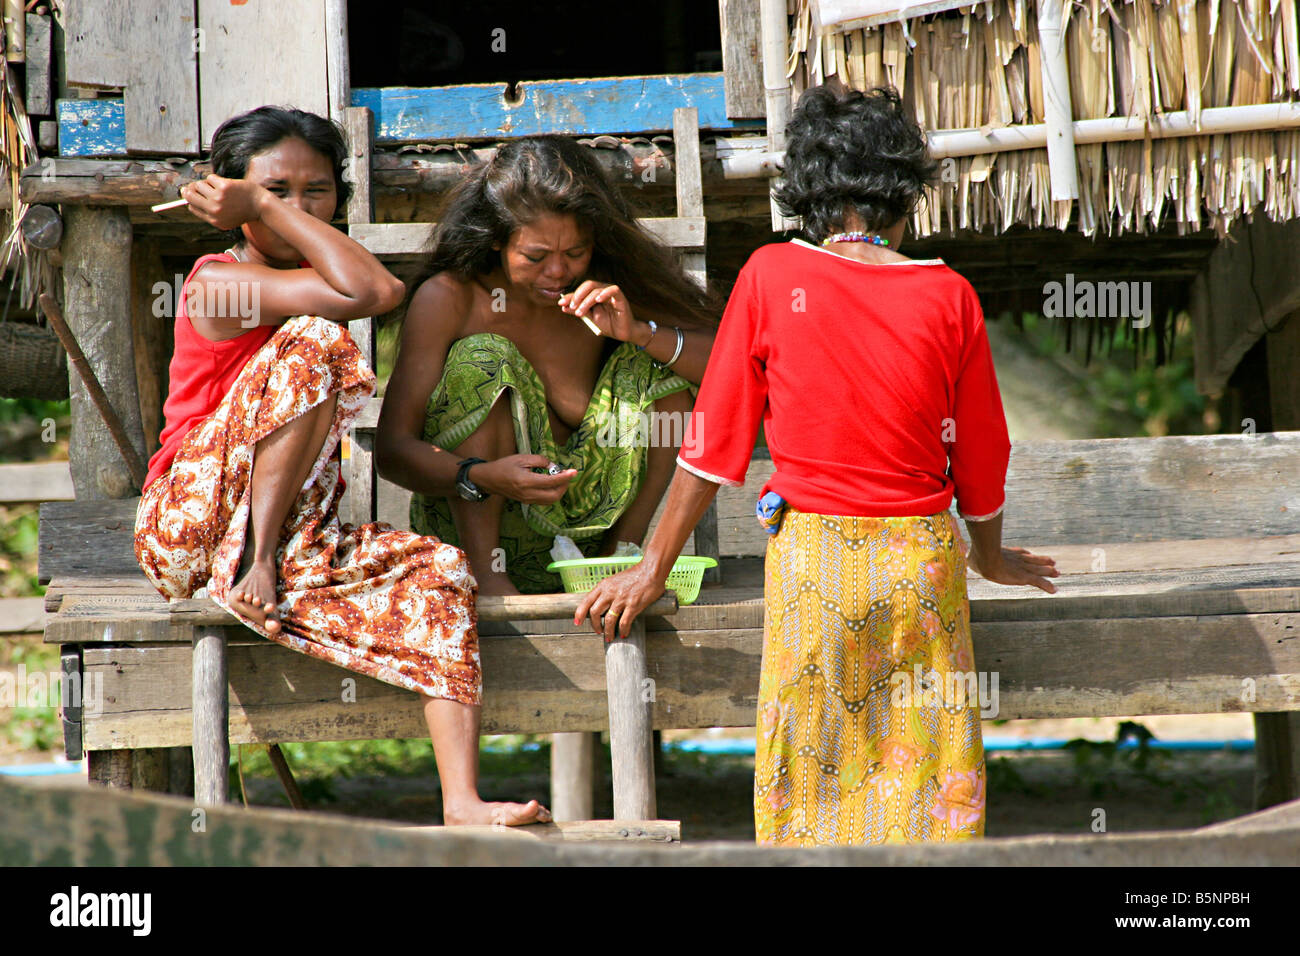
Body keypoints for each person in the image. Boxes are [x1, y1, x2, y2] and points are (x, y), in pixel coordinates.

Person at [575, 85, 1060, 846]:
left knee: (810, 765)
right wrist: (989, 557)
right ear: (903, 198)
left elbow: (712, 445)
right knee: (926, 768)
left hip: (815, 566)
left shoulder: (771, 277)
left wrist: (650, 569)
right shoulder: (949, 295)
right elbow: (982, 454)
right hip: (922, 564)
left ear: (807, 192)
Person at [133, 105, 549, 827]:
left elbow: (377, 291)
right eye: (275, 190)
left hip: (297, 537)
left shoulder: (306, 273)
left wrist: (266, 201)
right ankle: (256, 563)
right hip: (190, 528)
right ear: (229, 198)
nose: (297, 205)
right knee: (317, 342)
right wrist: (259, 560)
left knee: (441, 571)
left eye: (315, 191)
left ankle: (463, 801)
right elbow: (371, 297)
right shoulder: (214, 283)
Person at [377, 136, 719, 595]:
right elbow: (392, 451)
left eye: (574, 254)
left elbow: (730, 367)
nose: (558, 273)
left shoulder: (610, 289)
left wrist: (639, 332)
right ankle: (491, 577)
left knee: (658, 366)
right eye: (535, 257)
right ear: (496, 239)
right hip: (478, 526)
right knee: (483, 358)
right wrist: (476, 475)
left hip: (588, 545)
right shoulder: (451, 299)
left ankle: (624, 561)